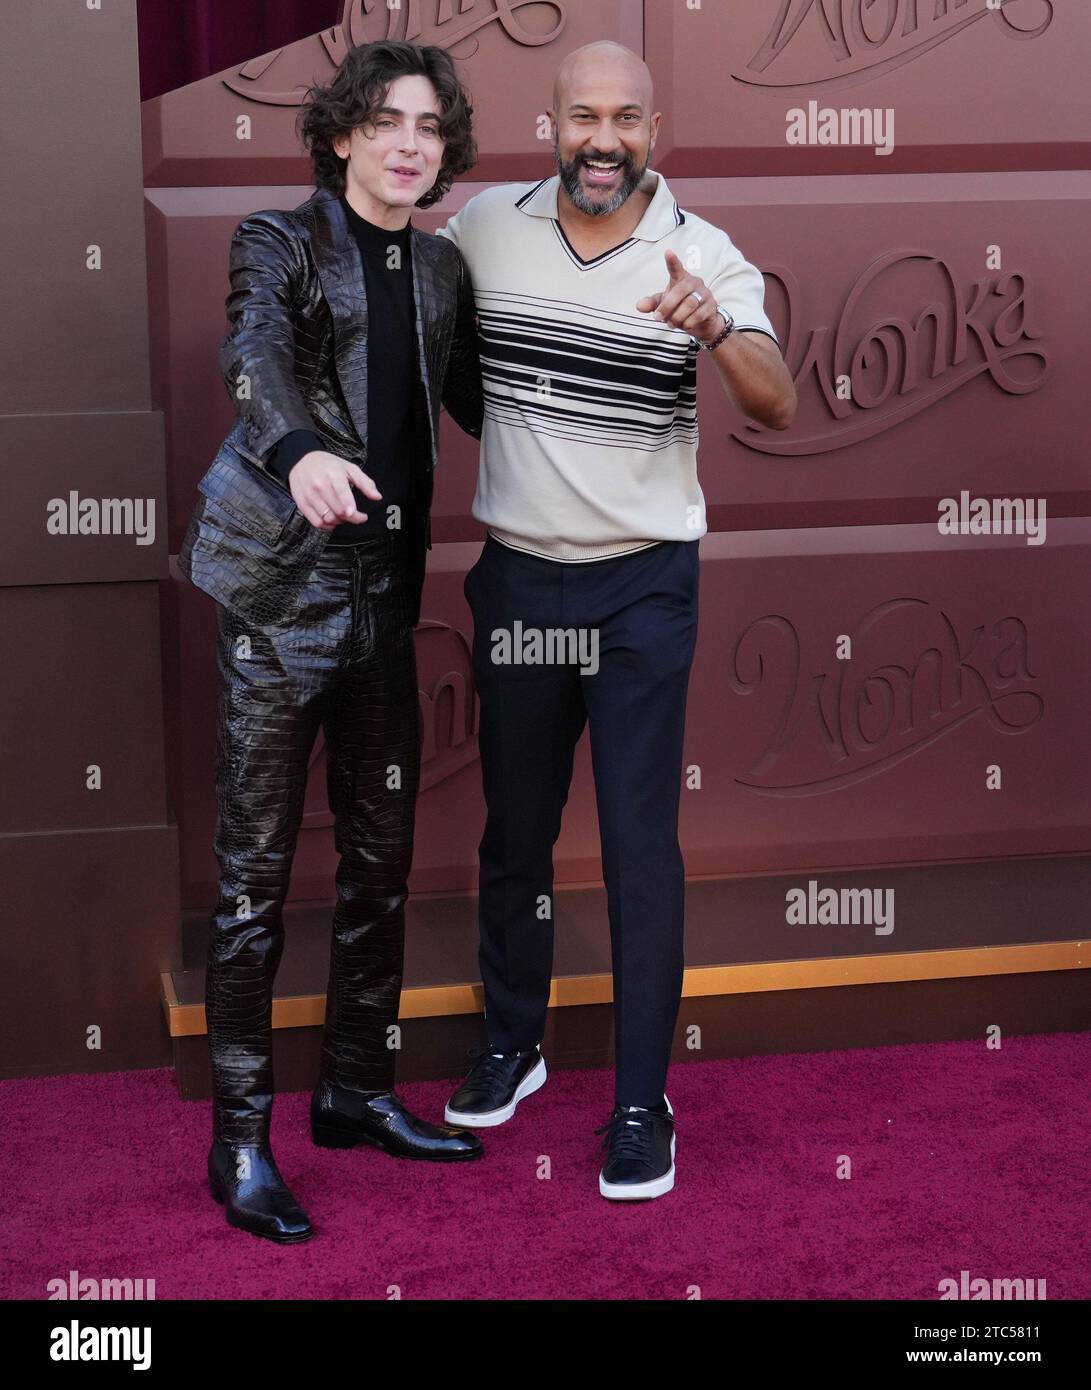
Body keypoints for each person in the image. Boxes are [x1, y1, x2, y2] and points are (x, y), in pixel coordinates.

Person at [437, 41, 797, 1200]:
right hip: (520, 584)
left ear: (656, 130)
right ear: (548, 121)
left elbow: (775, 402)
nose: (603, 138)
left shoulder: (704, 252)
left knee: (640, 848)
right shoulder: (481, 228)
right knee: (514, 833)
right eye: (582, 115)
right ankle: (513, 1041)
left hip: (642, 589)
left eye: (626, 119)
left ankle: (641, 1103)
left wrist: (712, 332)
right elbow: (437, 358)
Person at [178, 39, 486, 1244]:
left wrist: (639, 373)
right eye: (386, 121)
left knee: (380, 859)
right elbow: (254, 361)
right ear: (344, 134)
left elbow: (486, 402)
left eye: (429, 126)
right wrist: (298, 446)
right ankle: (239, 1141)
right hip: (278, 599)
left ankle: (355, 1090)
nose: (410, 142)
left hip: (383, 608)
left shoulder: (447, 268)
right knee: (255, 885)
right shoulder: (279, 241)